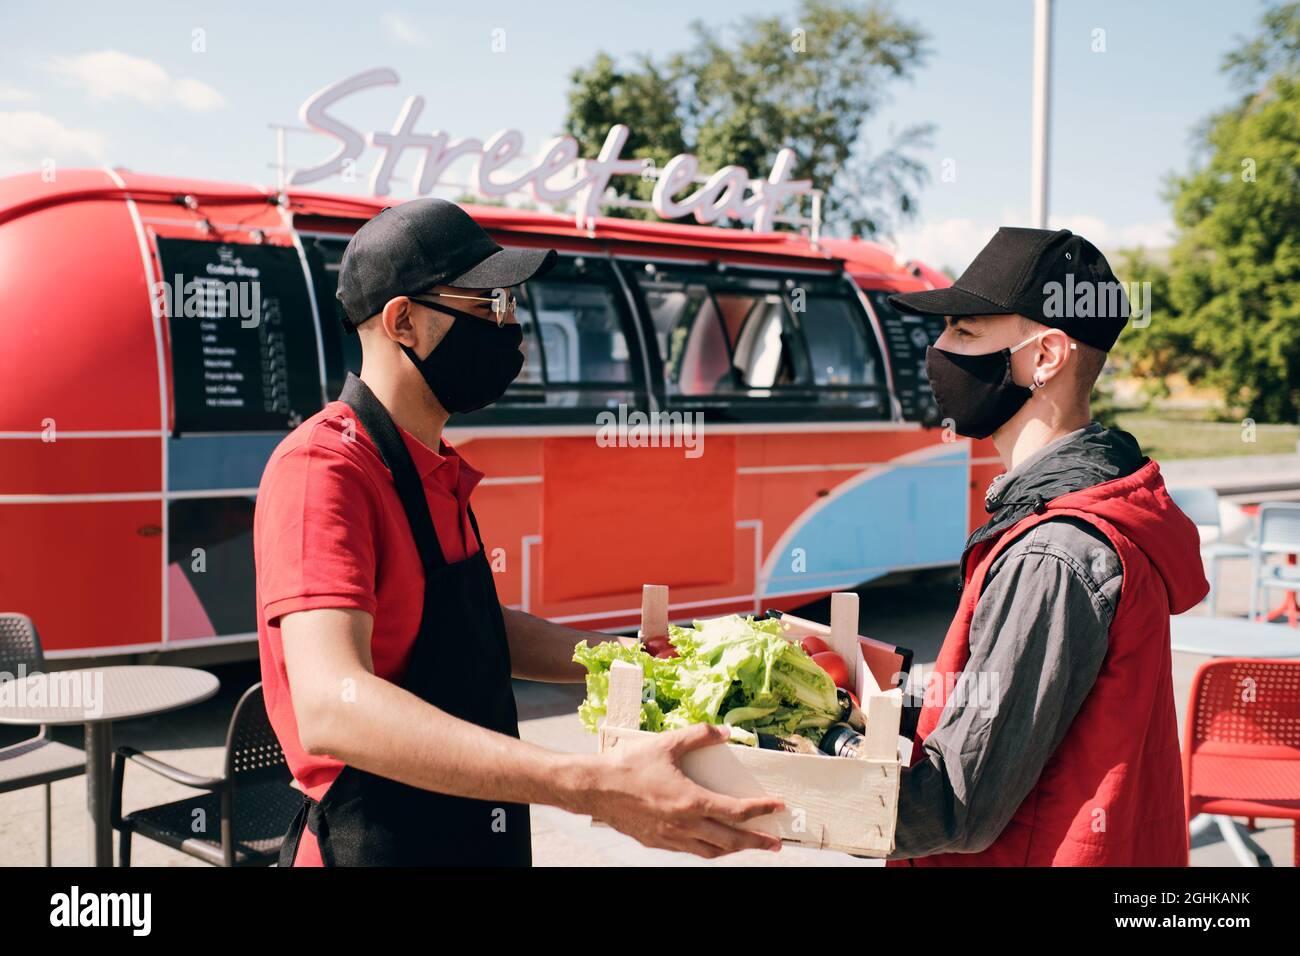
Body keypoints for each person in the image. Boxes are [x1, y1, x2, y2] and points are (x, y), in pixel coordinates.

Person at [254, 198, 783, 866]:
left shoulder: (432, 465)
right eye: (490, 305)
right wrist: (592, 786)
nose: (512, 326)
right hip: (380, 844)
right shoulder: (324, 467)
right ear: (405, 321)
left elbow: (468, 629)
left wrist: (631, 662)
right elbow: (335, 707)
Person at [883, 227, 1208, 866]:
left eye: (966, 332)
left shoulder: (1053, 552)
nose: (938, 349)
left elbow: (955, 804)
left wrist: (788, 770)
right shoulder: (1086, 514)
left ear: (1046, 356)